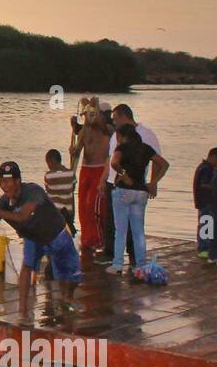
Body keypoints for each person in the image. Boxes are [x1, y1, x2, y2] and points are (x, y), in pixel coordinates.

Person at [0, 161, 82, 313]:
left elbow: (22, 217)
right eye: (1, 182)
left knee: (73, 275)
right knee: (27, 268)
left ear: (18, 181)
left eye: (7, 182)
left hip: (56, 234)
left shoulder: (33, 191)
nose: (4, 186)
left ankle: (68, 297)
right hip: (33, 237)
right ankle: (23, 312)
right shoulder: (3, 203)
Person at [102, 103, 160, 264]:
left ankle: (129, 258)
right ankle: (111, 253)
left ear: (123, 116)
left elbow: (157, 160)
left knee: (128, 226)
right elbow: (110, 159)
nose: (113, 122)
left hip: (133, 184)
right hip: (113, 182)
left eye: (115, 119)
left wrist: (153, 182)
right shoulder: (116, 135)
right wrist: (103, 179)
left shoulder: (146, 134)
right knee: (111, 222)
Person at [108, 124, 169, 274]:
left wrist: (124, 174)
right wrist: (153, 182)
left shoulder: (121, 148)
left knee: (121, 230)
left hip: (124, 190)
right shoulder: (145, 148)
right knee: (138, 231)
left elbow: (114, 162)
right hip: (141, 192)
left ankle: (117, 265)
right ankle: (141, 265)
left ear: (122, 136)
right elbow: (164, 164)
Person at [73, 97, 111, 253]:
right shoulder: (84, 130)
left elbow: (98, 123)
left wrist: (91, 105)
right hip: (85, 169)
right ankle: (87, 238)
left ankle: (99, 238)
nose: (87, 117)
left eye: (92, 113)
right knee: (83, 204)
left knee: (95, 205)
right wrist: (73, 152)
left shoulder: (106, 128)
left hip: (99, 168)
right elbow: (77, 151)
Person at [194, 147, 217, 257]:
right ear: (213, 157)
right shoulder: (207, 168)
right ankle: (204, 249)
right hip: (205, 201)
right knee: (206, 224)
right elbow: (203, 184)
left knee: (207, 224)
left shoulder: (203, 167)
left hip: (203, 201)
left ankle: (206, 247)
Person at [44, 145, 79, 236]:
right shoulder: (71, 173)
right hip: (68, 211)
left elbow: (48, 190)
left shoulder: (48, 175)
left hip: (54, 212)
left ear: (51, 161)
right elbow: (72, 189)